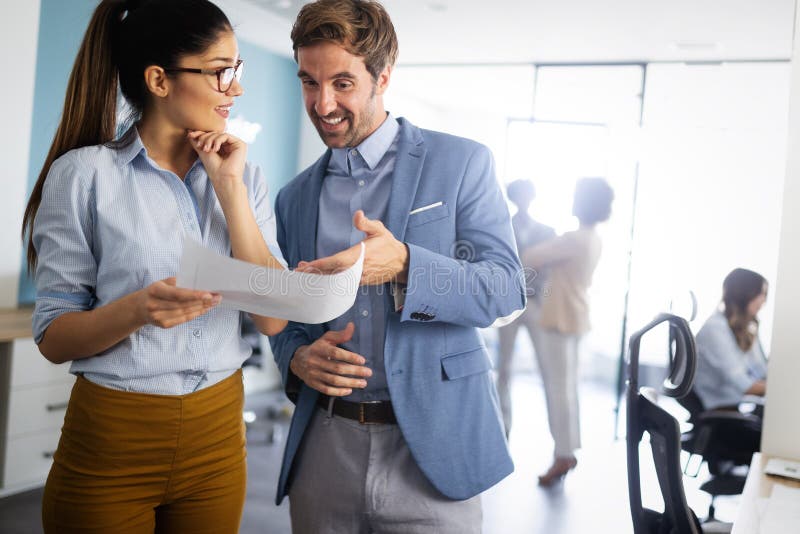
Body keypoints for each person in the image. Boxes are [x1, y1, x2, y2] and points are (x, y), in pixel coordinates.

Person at [21, 1, 287, 532]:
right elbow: (54, 337)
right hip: (113, 443)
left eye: (238, 71)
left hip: (218, 438)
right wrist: (138, 309)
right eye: (220, 72)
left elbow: (273, 319)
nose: (235, 88)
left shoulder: (243, 176)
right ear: (159, 80)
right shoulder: (84, 176)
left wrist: (229, 188)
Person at [269, 1, 526, 531]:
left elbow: (506, 289)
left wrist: (407, 263)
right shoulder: (294, 197)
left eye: (342, 83)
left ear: (383, 75)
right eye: (309, 83)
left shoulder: (461, 163)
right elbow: (290, 319)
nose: (323, 104)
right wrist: (296, 357)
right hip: (325, 446)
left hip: (435, 450)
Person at [522, 177, 614, 486]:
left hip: (559, 318)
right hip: (576, 316)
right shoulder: (592, 237)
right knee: (568, 388)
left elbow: (530, 256)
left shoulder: (574, 238)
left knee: (558, 389)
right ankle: (567, 450)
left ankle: (562, 454)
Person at [496, 180, 555, 436]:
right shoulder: (500, 227)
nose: (523, 198)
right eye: (518, 194)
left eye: (527, 193)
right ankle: (503, 427)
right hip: (508, 306)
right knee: (504, 368)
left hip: (536, 304)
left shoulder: (547, 231)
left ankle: (556, 438)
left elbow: (551, 269)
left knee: (547, 367)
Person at [693, 268, 768, 411]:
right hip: (719, 406)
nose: (764, 300)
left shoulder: (743, 327)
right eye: (762, 293)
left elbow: (761, 370)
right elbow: (745, 385)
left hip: (736, 402)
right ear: (746, 294)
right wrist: (780, 389)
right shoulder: (715, 329)